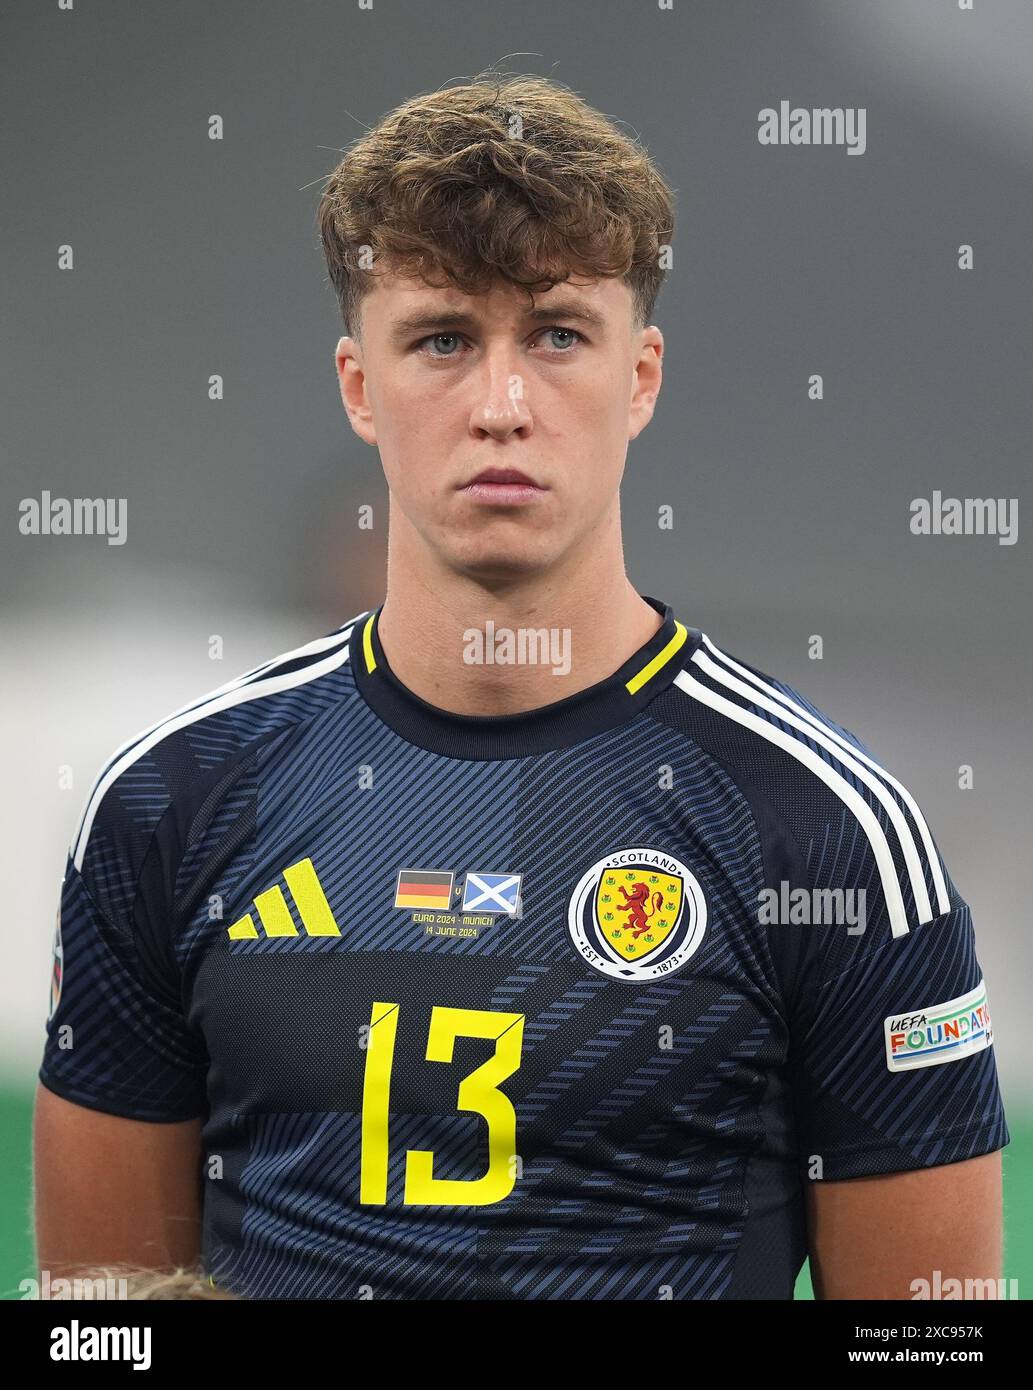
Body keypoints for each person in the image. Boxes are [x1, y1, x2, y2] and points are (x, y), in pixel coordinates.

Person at [34, 71, 1008, 1301]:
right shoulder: (168, 803)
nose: (502, 405)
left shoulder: (829, 835)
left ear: (640, 377)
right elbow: (97, 1324)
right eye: (441, 339)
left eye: (556, 335)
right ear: (357, 386)